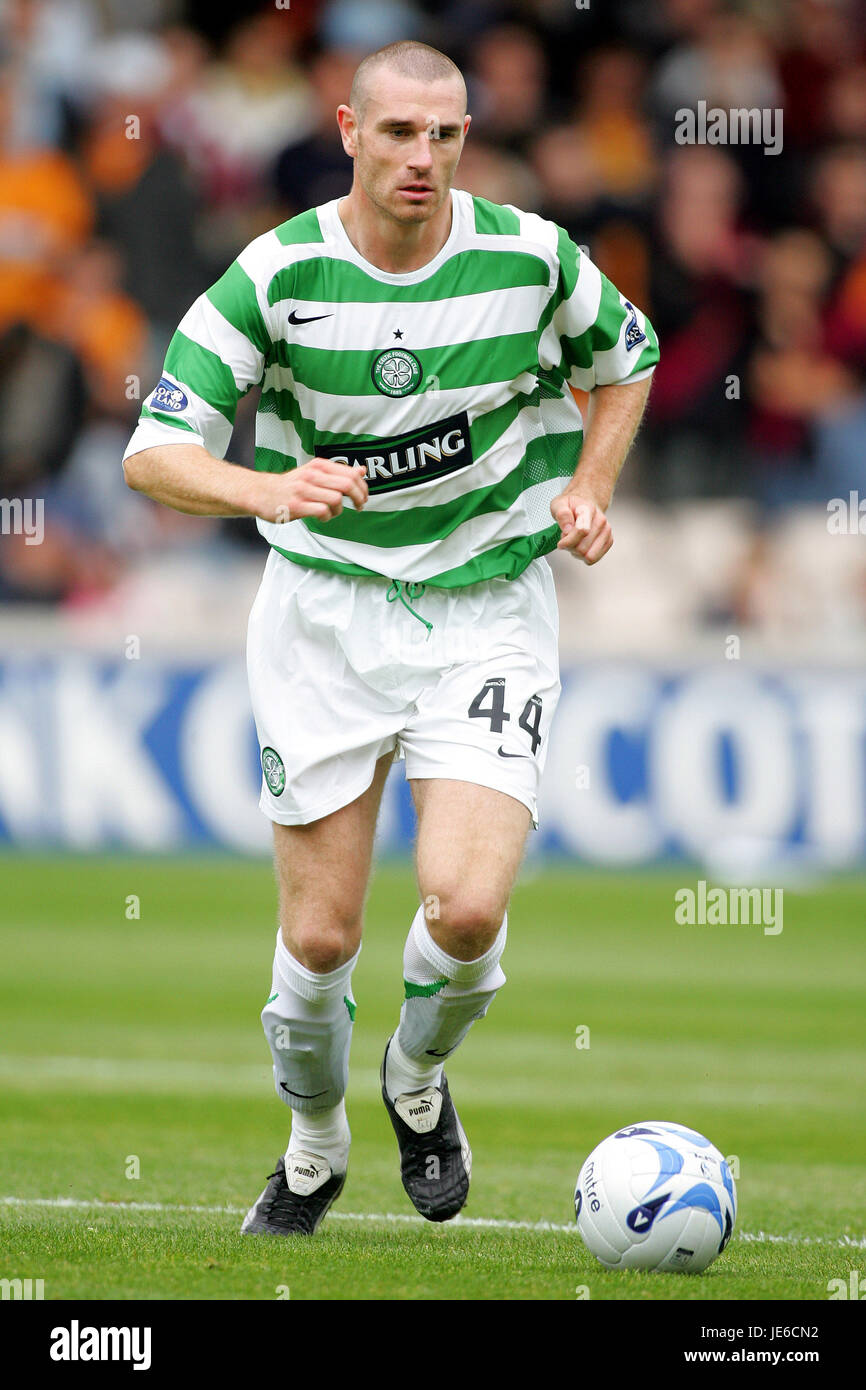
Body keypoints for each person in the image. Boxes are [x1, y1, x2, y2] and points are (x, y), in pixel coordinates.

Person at [122, 40, 658, 1236]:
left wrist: (590, 485)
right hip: (323, 614)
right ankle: (313, 1142)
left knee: (463, 909)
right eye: (402, 134)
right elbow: (152, 452)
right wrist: (265, 490)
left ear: (465, 139)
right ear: (351, 130)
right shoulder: (276, 275)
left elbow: (627, 363)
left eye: (448, 136)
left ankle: (415, 1077)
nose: (425, 158)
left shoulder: (528, 259)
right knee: (318, 938)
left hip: (485, 607)